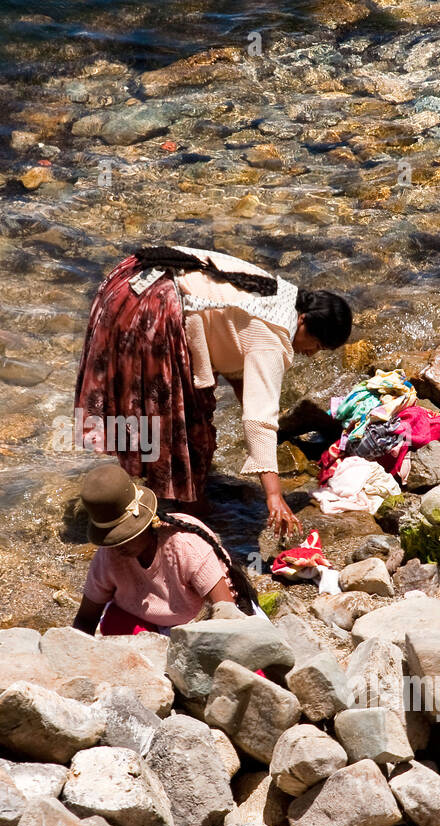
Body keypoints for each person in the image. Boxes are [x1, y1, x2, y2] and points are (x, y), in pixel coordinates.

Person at [74, 244, 352, 538]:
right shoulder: (274, 336)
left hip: (130, 279)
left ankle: (166, 491)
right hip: (154, 304)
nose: (311, 355)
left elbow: (237, 359)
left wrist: (265, 426)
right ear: (304, 322)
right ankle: (189, 510)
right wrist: (273, 496)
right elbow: (259, 419)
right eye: (317, 347)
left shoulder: (285, 295)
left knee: (180, 411)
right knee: (181, 423)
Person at [71, 463, 258, 636]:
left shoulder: (186, 545)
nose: (118, 547)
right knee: (114, 622)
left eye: (124, 538)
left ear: (146, 524)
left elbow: (227, 613)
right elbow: (86, 619)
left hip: (204, 622)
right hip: (149, 625)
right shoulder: (108, 556)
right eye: (112, 541)